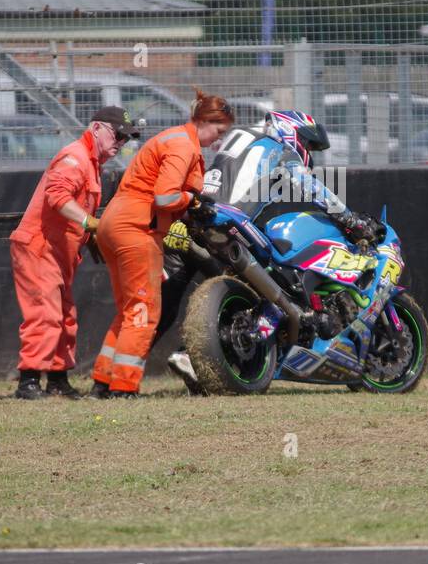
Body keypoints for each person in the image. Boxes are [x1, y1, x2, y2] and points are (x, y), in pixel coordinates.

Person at [156, 108, 386, 393]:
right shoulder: (277, 147)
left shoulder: (240, 140)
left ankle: (198, 357)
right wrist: (351, 219)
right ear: (290, 130)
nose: (308, 151)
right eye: (308, 144)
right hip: (231, 218)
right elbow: (309, 187)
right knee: (284, 277)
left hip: (202, 217)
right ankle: (304, 322)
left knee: (245, 288)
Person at [90, 89, 235, 398]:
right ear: (204, 121)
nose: (218, 140)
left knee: (129, 311)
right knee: (144, 310)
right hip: (137, 228)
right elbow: (166, 196)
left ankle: (103, 383)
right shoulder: (183, 146)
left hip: (113, 223)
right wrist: (194, 203)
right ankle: (123, 388)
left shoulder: (173, 139)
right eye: (219, 131)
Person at [9, 107, 139, 399]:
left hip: (60, 252)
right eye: (117, 134)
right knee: (45, 314)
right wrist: (89, 223)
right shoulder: (75, 158)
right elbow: (57, 197)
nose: (120, 142)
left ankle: (57, 379)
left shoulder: (92, 163)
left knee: (65, 316)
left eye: (125, 138)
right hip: (40, 247)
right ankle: (28, 382)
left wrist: (89, 235)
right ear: (96, 129)